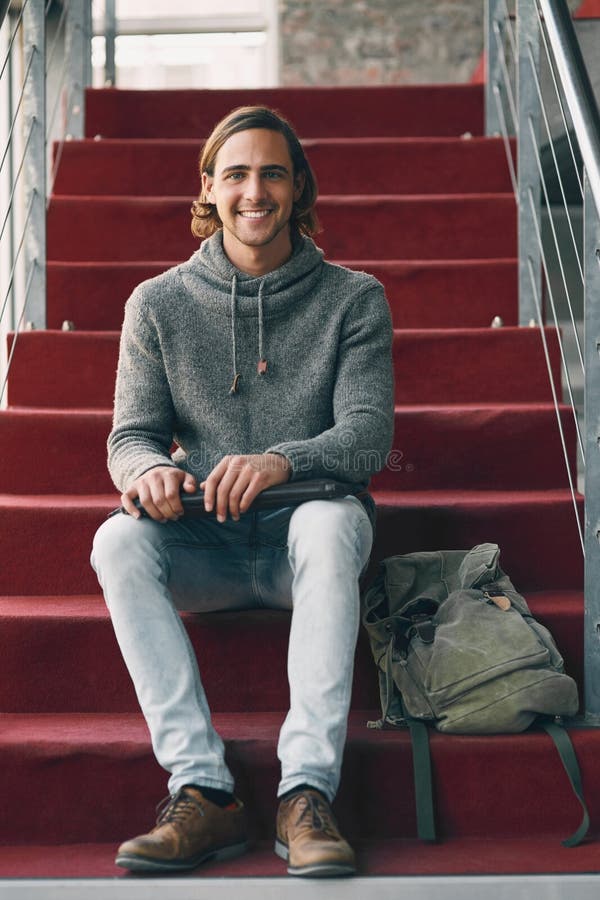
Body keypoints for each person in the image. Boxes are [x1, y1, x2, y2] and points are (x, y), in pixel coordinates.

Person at [91, 105, 394, 879]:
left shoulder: (354, 298)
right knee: (116, 539)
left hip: (308, 542)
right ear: (208, 187)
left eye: (271, 174)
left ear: (298, 189)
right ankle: (202, 789)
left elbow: (367, 437)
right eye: (235, 175)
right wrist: (148, 472)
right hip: (207, 544)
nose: (253, 192)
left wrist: (279, 462)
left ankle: (306, 793)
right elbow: (131, 437)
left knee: (328, 524)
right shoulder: (157, 303)